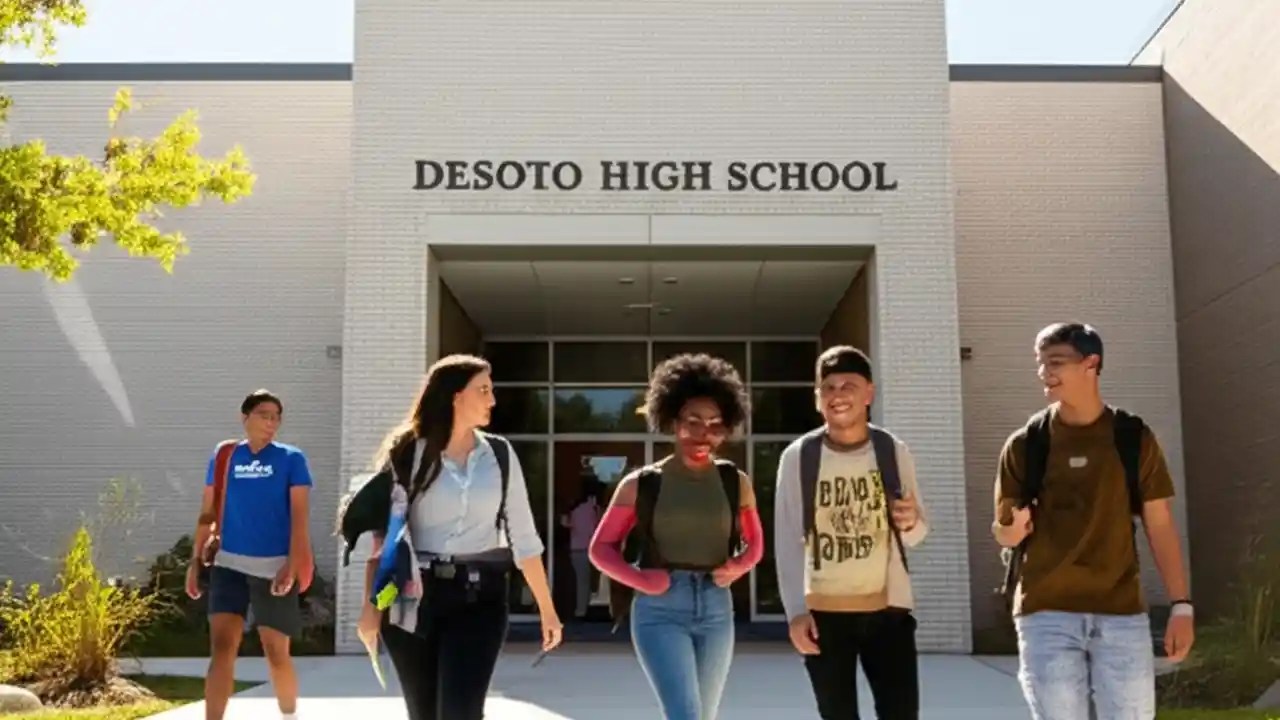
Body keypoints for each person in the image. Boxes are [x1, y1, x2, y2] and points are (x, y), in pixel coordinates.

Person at [343, 354, 562, 720]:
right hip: (413, 599)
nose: (492, 400)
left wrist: (547, 609)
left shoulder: (500, 455)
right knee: (424, 714)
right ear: (455, 396)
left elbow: (523, 537)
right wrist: (371, 610)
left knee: (461, 712)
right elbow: (387, 540)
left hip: (480, 600)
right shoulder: (408, 454)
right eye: (483, 390)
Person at [993, 322, 1194, 720]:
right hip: (1045, 612)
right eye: (1040, 363)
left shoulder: (1132, 437)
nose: (1044, 373)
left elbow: (1160, 524)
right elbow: (1001, 528)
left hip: (1121, 614)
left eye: (1056, 362)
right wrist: (1010, 532)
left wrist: (1181, 607)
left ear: (1091, 364)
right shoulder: (1027, 442)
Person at [589, 353, 765, 720]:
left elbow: (756, 544)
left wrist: (738, 565)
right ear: (672, 420)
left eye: (716, 425)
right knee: (684, 714)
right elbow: (600, 549)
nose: (704, 434)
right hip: (660, 610)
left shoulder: (736, 482)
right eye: (693, 422)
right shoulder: (642, 484)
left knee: (703, 715)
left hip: (717, 608)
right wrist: (642, 580)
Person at [774, 345, 929, 720]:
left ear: (869, 393)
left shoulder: (892, 450)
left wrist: (911, 522)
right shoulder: (799, 456)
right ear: (817, 398)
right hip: (823, 617)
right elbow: (787, 539)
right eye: (828, 387)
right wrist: (796, 611)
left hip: (887, 613)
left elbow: (917, 532)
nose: (838, 395)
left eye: (849, 385)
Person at [185, 389, 314, 720]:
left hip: (273, 570)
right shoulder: (225, 455)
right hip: (229, 566)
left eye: (276, 417)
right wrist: (194, 562)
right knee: (223, 650)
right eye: (264, 415)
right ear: (245, 418)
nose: (271, 422)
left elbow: (300, 518)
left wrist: (293, 563)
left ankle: (289, 716)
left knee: (276, 653)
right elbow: (207, 512)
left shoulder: (291, 459)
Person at [561, 477, 602, 618]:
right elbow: (595, 529)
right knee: (588, 582)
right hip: (590, 549)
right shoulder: (594, 509)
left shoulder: (575, 508)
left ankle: (580, 609)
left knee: (581, 581)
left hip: (576, 549)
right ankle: (584, 610)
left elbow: (567, 523)